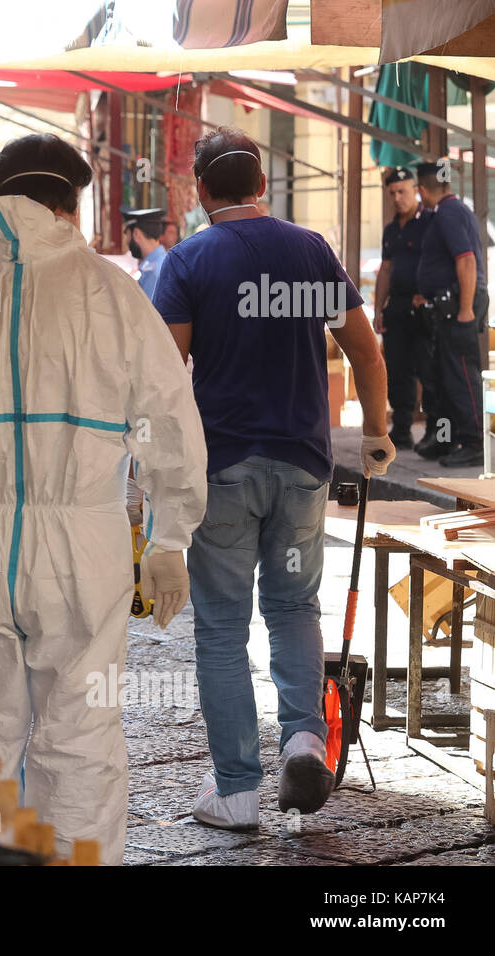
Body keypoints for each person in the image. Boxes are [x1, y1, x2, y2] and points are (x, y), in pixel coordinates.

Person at [0, 133, 207, 866]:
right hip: (83, 546)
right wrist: (168, 539)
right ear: (69, 202)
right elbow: (171, 427)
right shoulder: (112, 293)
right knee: (82, 735)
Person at [152, 128, 393, 831]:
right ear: (263, 183)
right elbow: (367, 355)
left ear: (200, 190)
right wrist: (376, 435)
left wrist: (150, 477)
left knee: (223, 628)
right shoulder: (311, 250)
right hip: (303, 466)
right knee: (293, 607)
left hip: (222, 465)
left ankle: (235, 789)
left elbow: (165, 380)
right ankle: (305, 738)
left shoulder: (188, 259)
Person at [414, 160, 489, 467]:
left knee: (461, 375)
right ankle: (447, 440)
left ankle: (474, 443)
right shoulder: (456, 210)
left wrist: (466, 309)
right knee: (445, 377)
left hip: (459, 305)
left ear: (422, 189)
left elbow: (467, 261)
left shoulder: (447, 214)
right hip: (450, 306)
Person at [375, 166, 437, 451]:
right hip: (397, 307)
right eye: (392, 193)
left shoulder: (431, 222)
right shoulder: (391, 229)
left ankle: (436, 432)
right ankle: (401, 429)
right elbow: (385, 269)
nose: (397, 197)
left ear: (416, 190)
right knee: (397, 371)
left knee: (428, 370)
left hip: (423, 306)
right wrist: (377, 310)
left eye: (402, 191)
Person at [122, 207, 167, 299]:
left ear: (136, 234)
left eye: (127, 234)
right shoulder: (163, 261)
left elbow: (145, 312)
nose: (126, 241)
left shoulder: (151, 272)